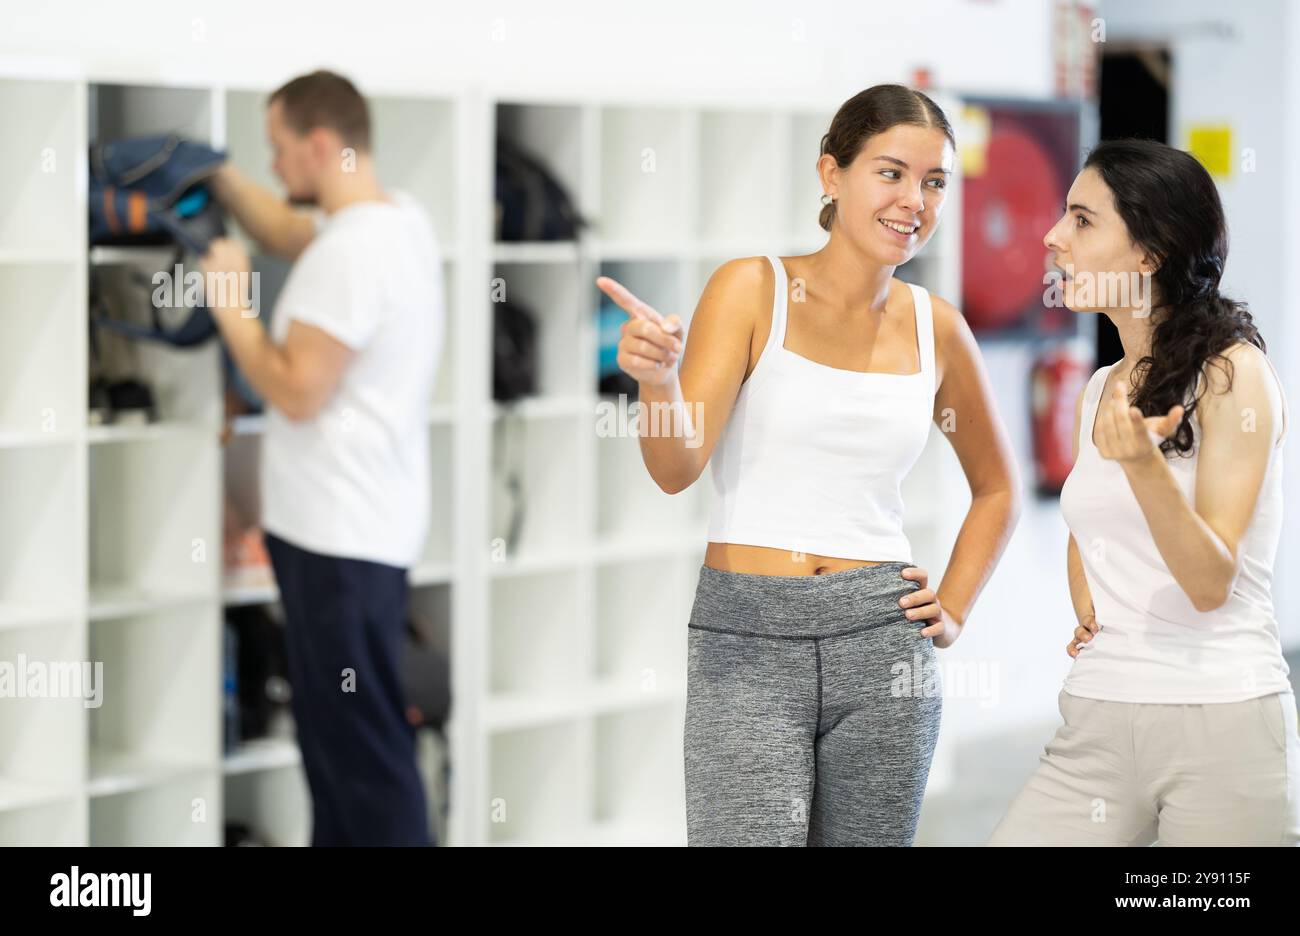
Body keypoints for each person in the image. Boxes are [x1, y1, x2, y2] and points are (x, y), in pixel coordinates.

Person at [597, 84, 1021, 845]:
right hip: (748, 639)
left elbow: (997, 487)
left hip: (883, 641)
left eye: (933, 183)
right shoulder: (751, 288)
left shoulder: (939, 329)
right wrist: (656, 381)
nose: (913, 201)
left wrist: (953, 607)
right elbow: (674, 466)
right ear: (832, 174)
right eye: (890, 173)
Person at [989, 139, 1298, 846]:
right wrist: (1094, 595)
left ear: (1149, 253)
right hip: (1099, 715)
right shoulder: (1102, 387)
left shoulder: (1233, 376)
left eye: (1082, 220)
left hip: (1219, 722)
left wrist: (1146, 469)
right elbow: (1088, 521)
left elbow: (1210, 580)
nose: (1053, 237)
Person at [200, 69, 444, 846]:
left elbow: (295, 389)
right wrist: (216, 175)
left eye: (277, 150)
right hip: (360, 531)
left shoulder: (353, 253)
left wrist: (233, 309)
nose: (272, 168)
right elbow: (284, 228)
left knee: (363, 757)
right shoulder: (397, 220)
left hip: (339, 540)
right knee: (338, 750)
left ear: (318, 145)